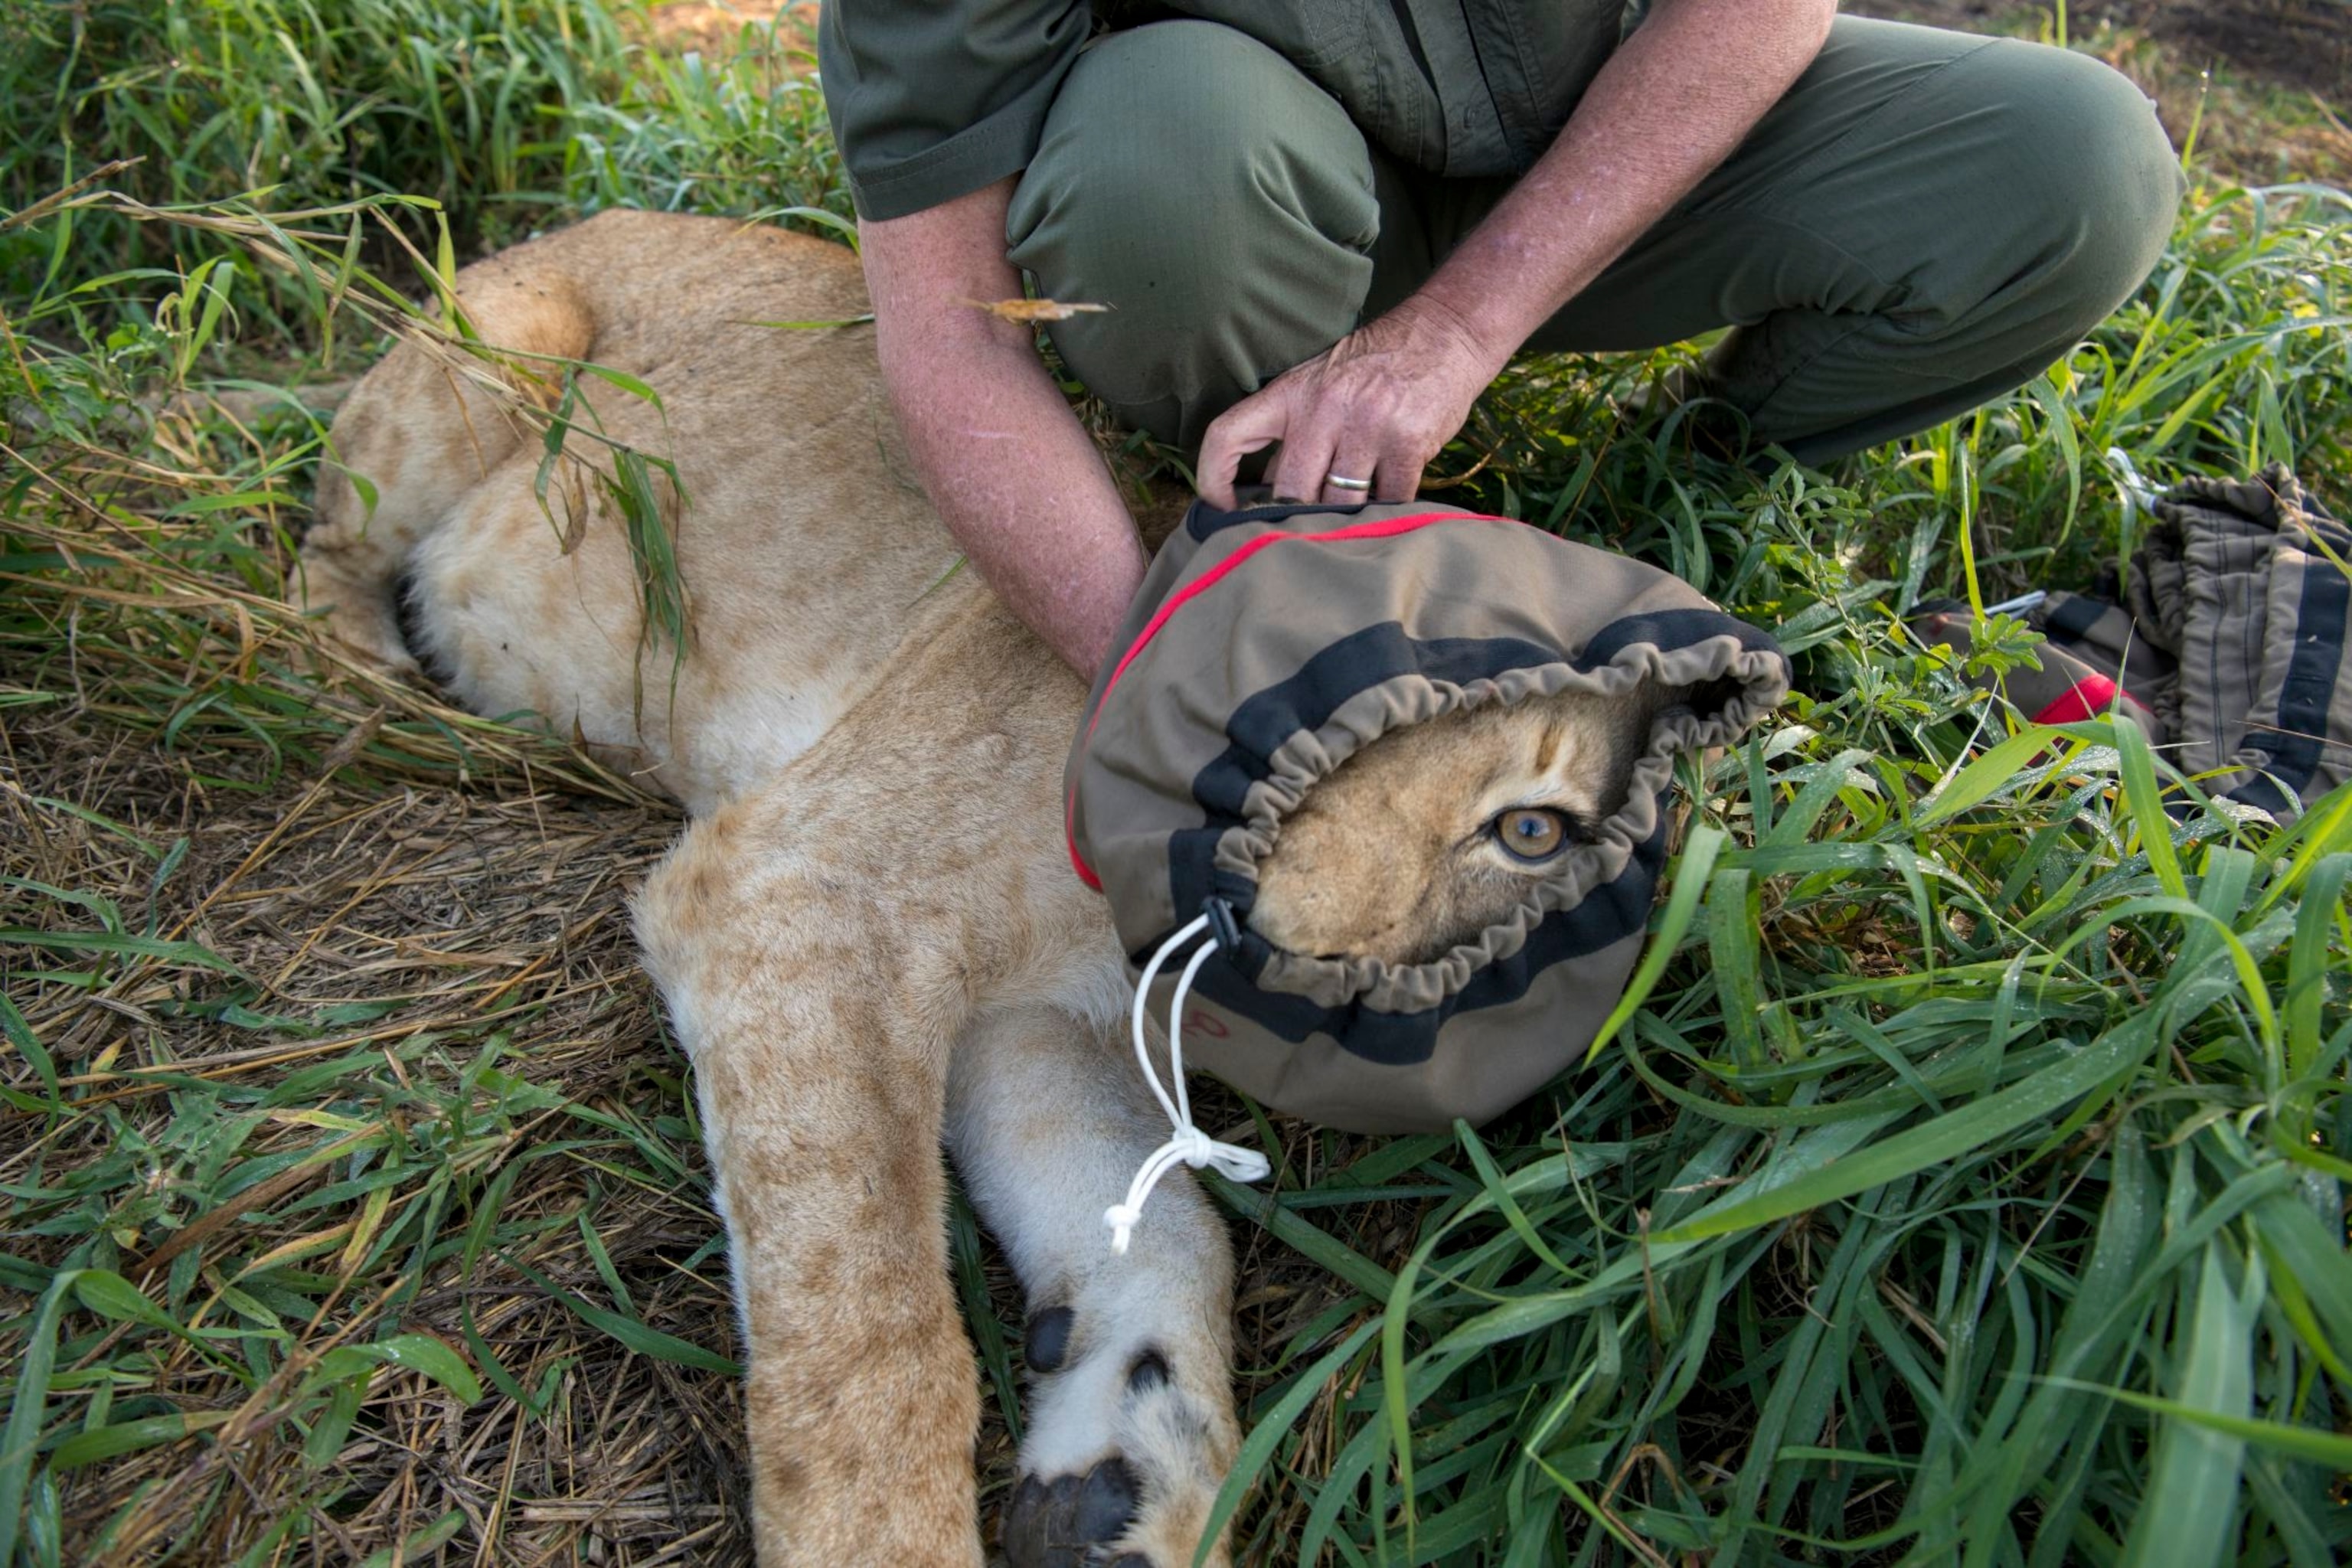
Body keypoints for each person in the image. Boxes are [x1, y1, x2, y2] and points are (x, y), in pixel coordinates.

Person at [820, 1, 2184, 677]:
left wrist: (1459, 333)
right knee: (1159, 161)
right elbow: (953, 333)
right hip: (1263, 209)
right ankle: (1266, 547)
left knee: (2077, 161)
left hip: (1625, 160)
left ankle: (1682, 490)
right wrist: (1149, 686)